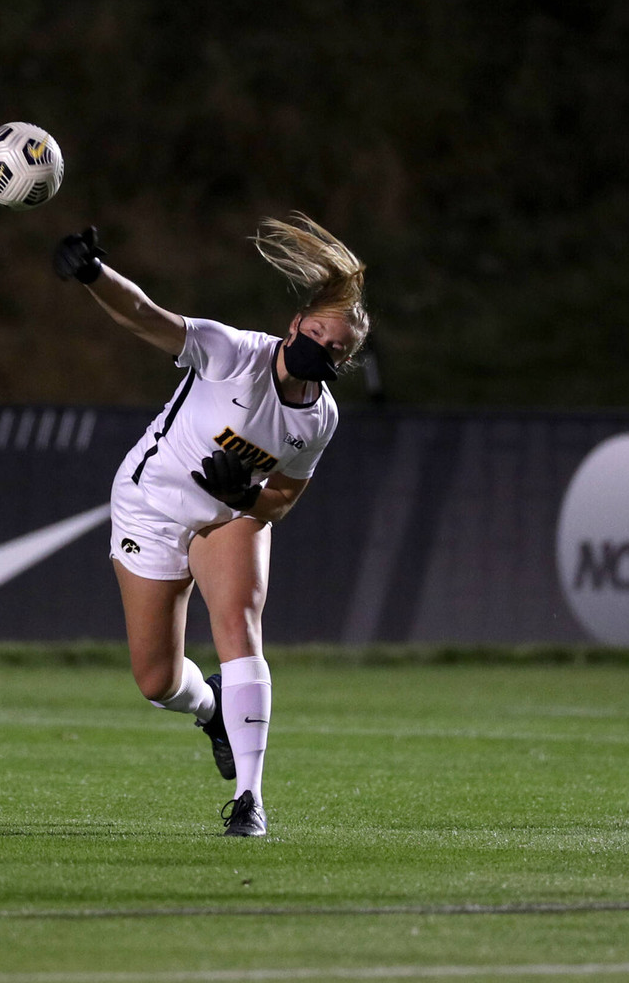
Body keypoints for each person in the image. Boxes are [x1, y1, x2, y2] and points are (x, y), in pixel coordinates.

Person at [52, 213, 369, 837]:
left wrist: (248, 497)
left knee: (238, 623)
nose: (327, 351)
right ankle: (211, 706)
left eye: (341, 350)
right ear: (296, 324)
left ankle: (250, 800)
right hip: (151, 506)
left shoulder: (317, 420)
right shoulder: (234, 354)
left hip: (229, 516)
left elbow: (282, 498)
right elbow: (148, 316)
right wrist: (93, 274)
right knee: (157, 680)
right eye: (322, 336)